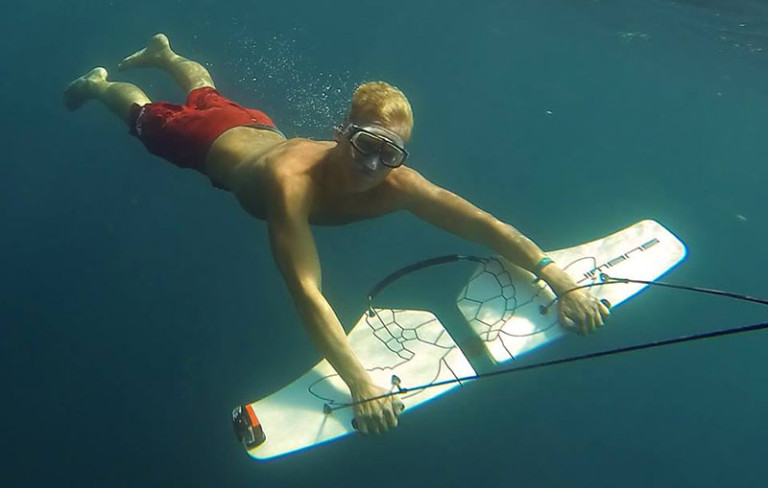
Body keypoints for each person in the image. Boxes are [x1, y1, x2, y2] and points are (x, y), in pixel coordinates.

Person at [65, 33, 610, 436]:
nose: (374, 164)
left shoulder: (400, 184)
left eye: (390, 152)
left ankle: (165, 53)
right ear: (341, 133)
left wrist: (557, 277)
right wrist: (359, 381)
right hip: (200, 144)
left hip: (257, 127)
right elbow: (305, 290)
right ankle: (101, 85)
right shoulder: (290, 183)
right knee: (142, 115)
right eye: (366, 144)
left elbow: (486, 225)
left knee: (207, 90)